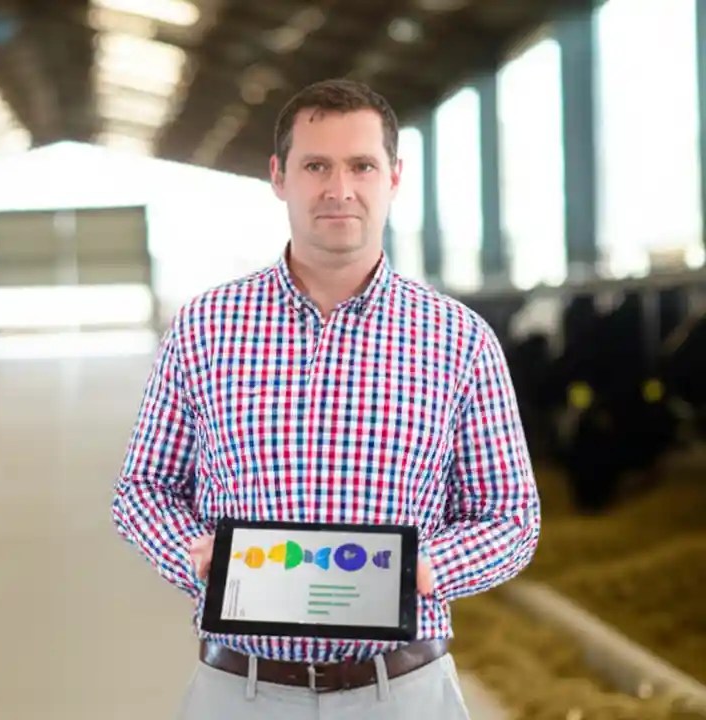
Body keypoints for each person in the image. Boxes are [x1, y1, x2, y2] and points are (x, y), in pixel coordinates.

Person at [110, 78, 541, 718]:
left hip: (404, 693)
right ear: (279, 176)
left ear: (394, 177)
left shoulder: (460, 340)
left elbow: (511, 516)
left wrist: (425, 568)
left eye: (361, 165)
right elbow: (142, 489)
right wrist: (195, 554)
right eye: (316, 166)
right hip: (241, 692)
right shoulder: (205, 327)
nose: (339, 189)